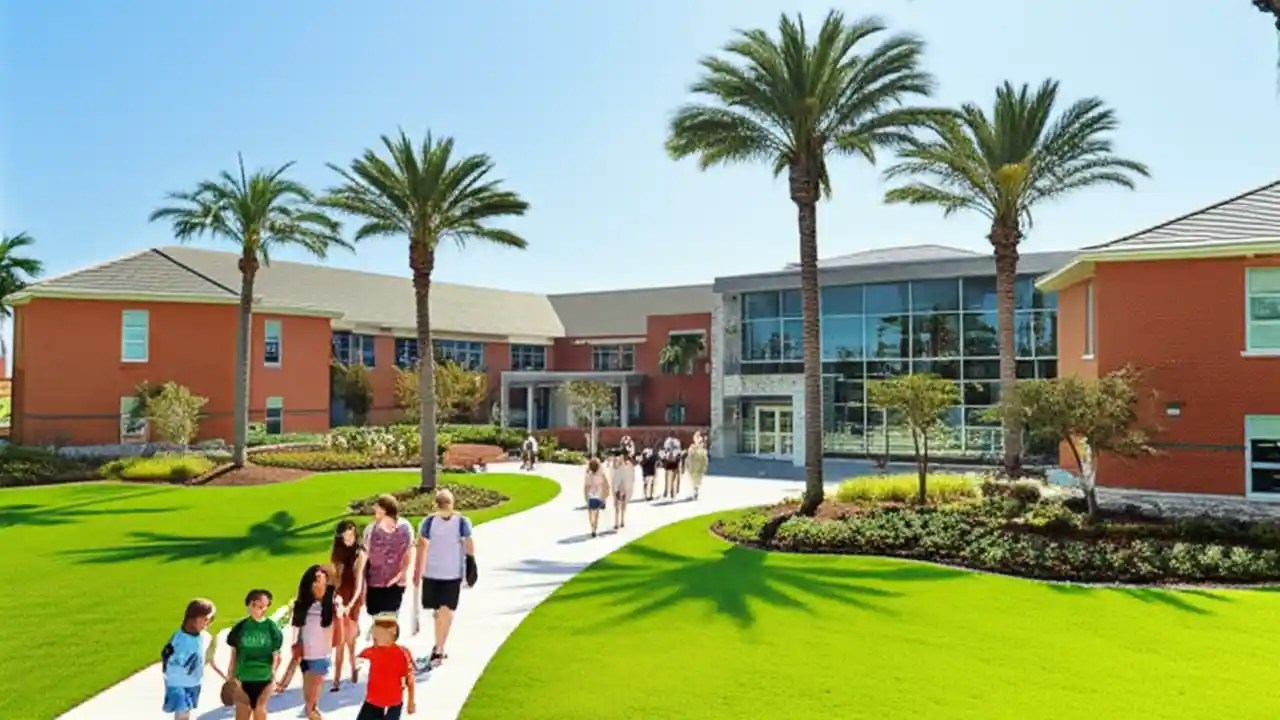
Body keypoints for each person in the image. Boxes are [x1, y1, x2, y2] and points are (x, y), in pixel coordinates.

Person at [413, 487, 476, 670]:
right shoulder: (428, 522)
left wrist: (471, 565)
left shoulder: (462, 522)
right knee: (437, 613)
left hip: (451, 574)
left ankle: (439, 648)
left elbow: (468, 543)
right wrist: (417, 571)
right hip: (432, 573)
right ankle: (438, 643)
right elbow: (421, 545)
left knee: (446, 611)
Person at [283, 565, 341, 720]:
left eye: (321, 578)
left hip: (320, 657)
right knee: (309, 704)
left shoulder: (333, 603)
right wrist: (295, 651)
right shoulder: (301, 605)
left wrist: (339, 614)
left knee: (310, 705)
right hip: (305, 658)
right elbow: (296, 630)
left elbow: (338, 638)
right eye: (315, 579)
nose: (318, 583)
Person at [161, 598, 224, 720]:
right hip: (177, 682)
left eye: (210, 620)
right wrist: (168, 676)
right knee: (182, 712)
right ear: (192, 618)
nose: (208, 623)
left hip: (194, 682)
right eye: (205, 620)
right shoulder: (178, 639)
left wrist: (225, 677)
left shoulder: (204, 637)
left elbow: (206, 659)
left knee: (187, 711)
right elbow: (165, 655)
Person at [227, 589, 283, 720]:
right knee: (242, 713)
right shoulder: (240, 628)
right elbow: (234, 653)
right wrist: (230, 675)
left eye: (265, 606)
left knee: (260, 710)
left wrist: (273, 674)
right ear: (250, 605)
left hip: (264, 678)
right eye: (259, 606)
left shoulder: (272, 628)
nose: (262, 610)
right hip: (242, 678)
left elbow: (277, 655)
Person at [355, 614, 416, 720]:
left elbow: (409, 680)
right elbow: (356, 663)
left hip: (392, 704)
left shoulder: (402, 653)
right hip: (373, 701)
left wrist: (411, 702)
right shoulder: (370, 652)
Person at [362, 495, 414, 619]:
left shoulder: (404, 528)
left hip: (393, 582)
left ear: (384, 510)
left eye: (378, 507)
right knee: (382, 618)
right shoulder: (371, 529)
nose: (375, 510)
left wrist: (402, 573)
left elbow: (409, 552)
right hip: (376, 582)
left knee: (389, 619)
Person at [330, 520, 366, 691]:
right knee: (340, 635)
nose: (348, 539)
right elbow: (336, 577)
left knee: (349, 634)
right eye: (345, 536)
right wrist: (335, 597)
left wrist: (350, 605)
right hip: (341, 593)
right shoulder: (337, 552)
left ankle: (352, 666)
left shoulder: (360, 553)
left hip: (354, 595)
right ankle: (338, 676)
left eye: (351, 535)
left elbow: (359, 584)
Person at [583, 457, 610, 538]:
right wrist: (605, 495)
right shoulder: (601, 475)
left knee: (590, 512)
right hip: (598, 495)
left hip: (590, 495)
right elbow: (606, 485)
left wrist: (585, 496)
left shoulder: (588, 475)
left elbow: (586, 487)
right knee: (596, 513)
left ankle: (592, 527)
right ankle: (595, 528)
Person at [609, 452, 635, 530]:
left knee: (623, 505)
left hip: (624, 488)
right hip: (617, 488)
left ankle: (622, 521)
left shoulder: (627, 466)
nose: (619, 460)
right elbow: (613, 477)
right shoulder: (615, 467)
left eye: (621, 459)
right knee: (617, 506)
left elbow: (631, 476)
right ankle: (617, 523)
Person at [686, 431, 709, 501]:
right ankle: (695, 491)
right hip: (694, 467)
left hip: (698, 468)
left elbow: (704, 459)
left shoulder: (702, 449)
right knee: (695, 481)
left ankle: (695, 491)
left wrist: (704, 467)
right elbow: (689, 458)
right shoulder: (693, 448)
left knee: (696, 481)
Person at [660, 433, 683, 499]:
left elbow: (662, 451)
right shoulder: (677, 442)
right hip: (674, 461)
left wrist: (662, 461)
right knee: (674, 477)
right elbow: (679, 453)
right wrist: (679, 462)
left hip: (668, 461)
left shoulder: (667, 441)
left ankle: (666, 491)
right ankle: (672, 491)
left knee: (667, 476)